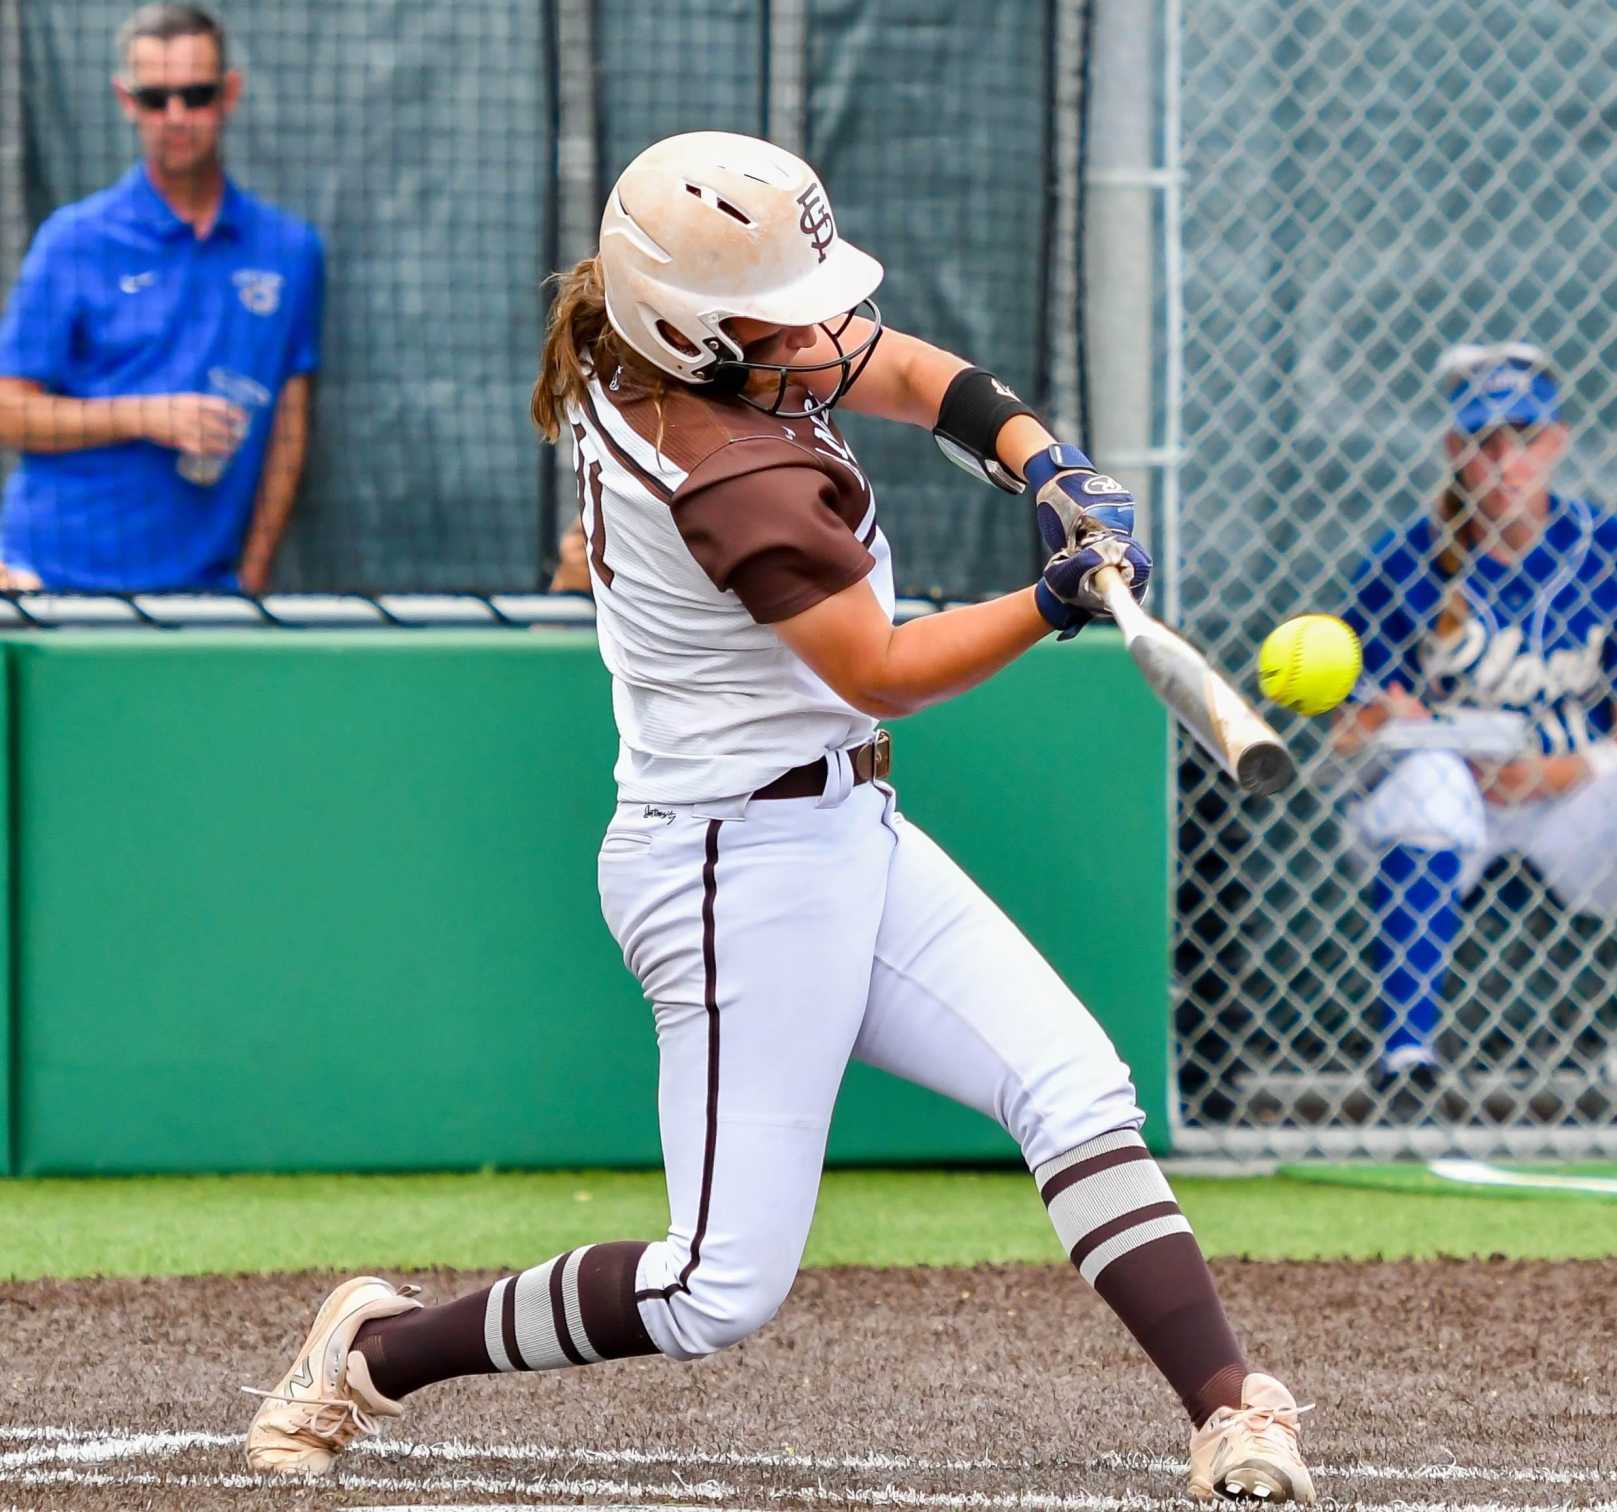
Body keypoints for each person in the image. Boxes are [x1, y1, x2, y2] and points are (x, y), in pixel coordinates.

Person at [243, 132, 1314, 1506]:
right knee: (714, 1288)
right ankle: (377, 1352)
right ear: (695, 332)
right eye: (787, 314)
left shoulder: (690, 346)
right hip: (728, 865)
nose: (826, 333)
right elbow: (887, 672)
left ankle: (1230, 1405)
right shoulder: (728, 474)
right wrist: (1057, 599)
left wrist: (1046, 464)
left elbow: (917, 375)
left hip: (838, 826)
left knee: (1074, 1086)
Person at [1333, 343, 1617, 1120]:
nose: (1506, 461)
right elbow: (1349, 733)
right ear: (1457, 452)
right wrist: (1399, 725)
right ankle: (1406, 1063)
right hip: (1455, 809)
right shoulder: (1407, 559)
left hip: (1567, 805)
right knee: (1430, 785)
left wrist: (1562, 773)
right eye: (1486, 443)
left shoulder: (1613, 549)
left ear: (1557, 443)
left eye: (1524, 438)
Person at [0, 3, 322, 593]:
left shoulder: (289, 251)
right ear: (127, 101)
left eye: (195, 95)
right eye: (156, 98)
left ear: (229, 94)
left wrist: (249, 580)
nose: (176, 116)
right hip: (51, 579)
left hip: (201, 595)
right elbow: (7, 411)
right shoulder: (74, 239)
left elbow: (288, 427)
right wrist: (149, 415)